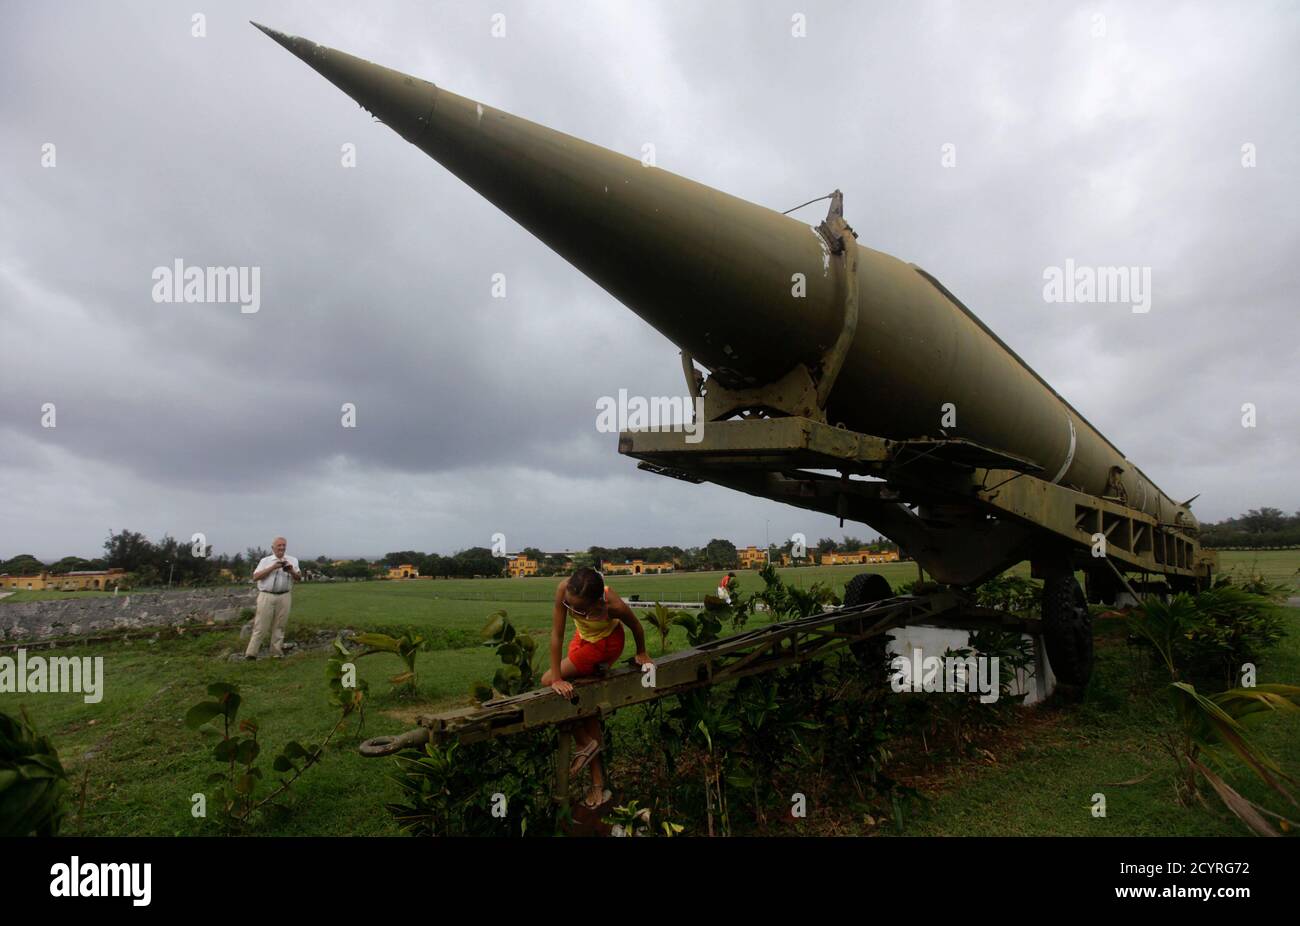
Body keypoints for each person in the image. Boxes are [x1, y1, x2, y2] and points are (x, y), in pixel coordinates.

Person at [541, 567, 653, 809]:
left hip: (606, 643)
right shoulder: (564, 589)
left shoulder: (613, 605)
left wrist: (641, 652)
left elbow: (636, 627)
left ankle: (585, 744)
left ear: (596, 603)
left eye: (579, 609)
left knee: (546, 679)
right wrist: (559, 678)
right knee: (584, 703)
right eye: (569, 605)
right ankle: (597, 781)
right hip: (583, 639)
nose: (571, 610)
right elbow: (557, 635)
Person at [246, 537, 300, 660]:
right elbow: (255, 577)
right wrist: (273, 567)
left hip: (285, 595)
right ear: (273, 547)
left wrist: (291, 570)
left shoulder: (293, 560)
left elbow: (298, 577)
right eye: (279, 545)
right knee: (260, 625)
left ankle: (276, 652)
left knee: (280, 625)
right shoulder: (265, 561)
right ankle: (251, 653)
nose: (281, 548)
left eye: (284, 545)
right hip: (267, 595)